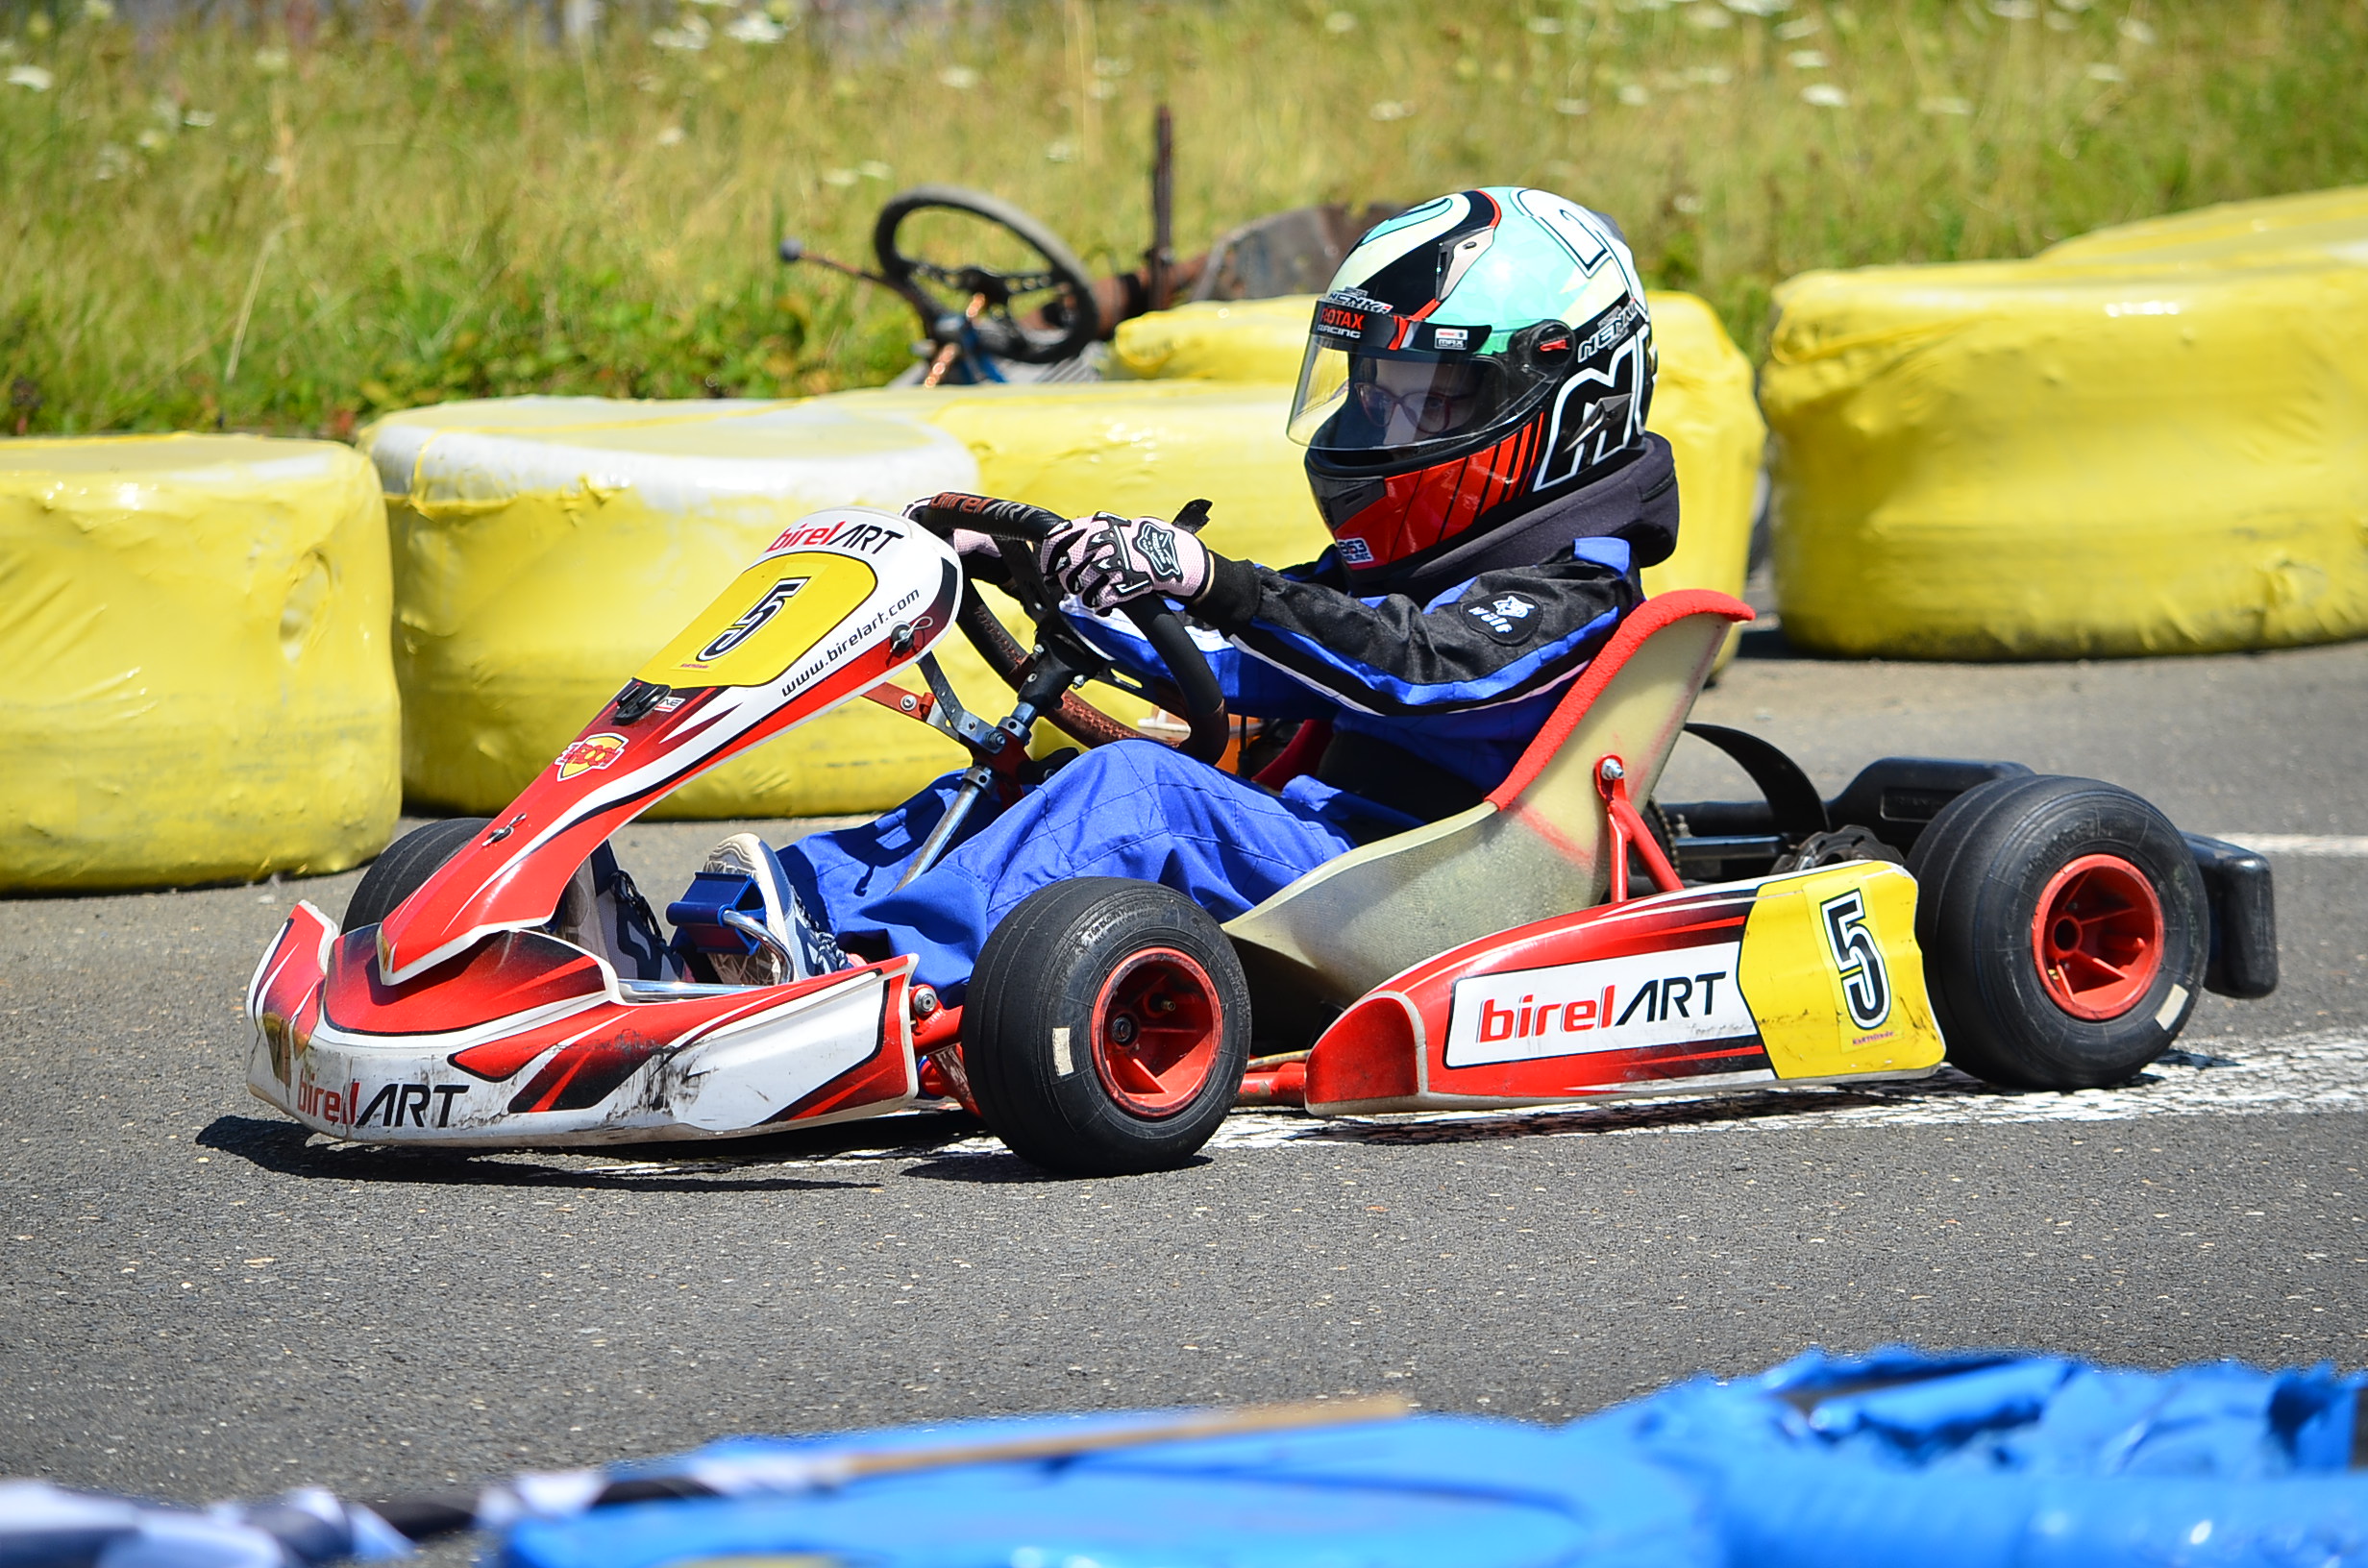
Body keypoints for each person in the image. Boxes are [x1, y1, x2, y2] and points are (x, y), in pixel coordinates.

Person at [695, 186, 1682, 1000]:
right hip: (1340, 860)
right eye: (1373, 387)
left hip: (1427, 895)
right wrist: (1046, 576)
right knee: (1012, 779)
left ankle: (871, 982)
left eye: (1428, 395)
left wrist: (1213, 580)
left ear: (1567, 398)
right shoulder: (1414, 579)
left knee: (1141, 796)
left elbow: (1417, 674)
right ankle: (744, 927)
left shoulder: (1568, 588)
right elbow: (1231, 666)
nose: (1383, 419)